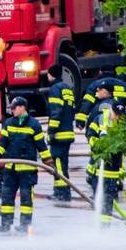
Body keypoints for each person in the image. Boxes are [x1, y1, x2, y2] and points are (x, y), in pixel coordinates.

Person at [0, 97, 52, 232]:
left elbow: (41, 146)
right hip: (10, 168)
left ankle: (24, 225)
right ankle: (5, 225)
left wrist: (48, 163)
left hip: (27, 170)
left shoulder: (34, 124)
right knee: (6, 197)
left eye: (14, 107)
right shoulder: (9, 123)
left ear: (23, 107)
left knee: (26, 199)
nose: (12, 110)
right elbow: (3, 142)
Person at [87, 98, 126, 221]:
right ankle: (98, 226)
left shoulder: (124, 124)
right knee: (98, 200)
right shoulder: (99, 119)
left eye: (120, 115)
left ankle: (104, 228)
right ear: (111, 110)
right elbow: (90, 136)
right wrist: (99, 145)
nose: (118, 118)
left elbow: (124, 149)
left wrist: (121, 175)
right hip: (97, 169)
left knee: (108, 201)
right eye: (116, 114)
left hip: (112, 170)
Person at [45, 66, 76, 202]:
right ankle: (63, 191)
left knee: (58, 164)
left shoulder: (55, 89)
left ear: (51, 75)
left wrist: (51, 132)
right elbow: (72, 110)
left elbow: (56, 112)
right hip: (68, 131)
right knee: (63, 163)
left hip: (59, 134)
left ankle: (61, 193)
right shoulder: (67, 88)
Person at [83, 83, 113, 191]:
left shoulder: (105, 106)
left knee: (97, 173)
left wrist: (94, 141)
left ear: (105, 92)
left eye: (99, 90)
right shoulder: (108, 104)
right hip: (103, 145)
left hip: (100, 146)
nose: (97, 91)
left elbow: (102, 125)